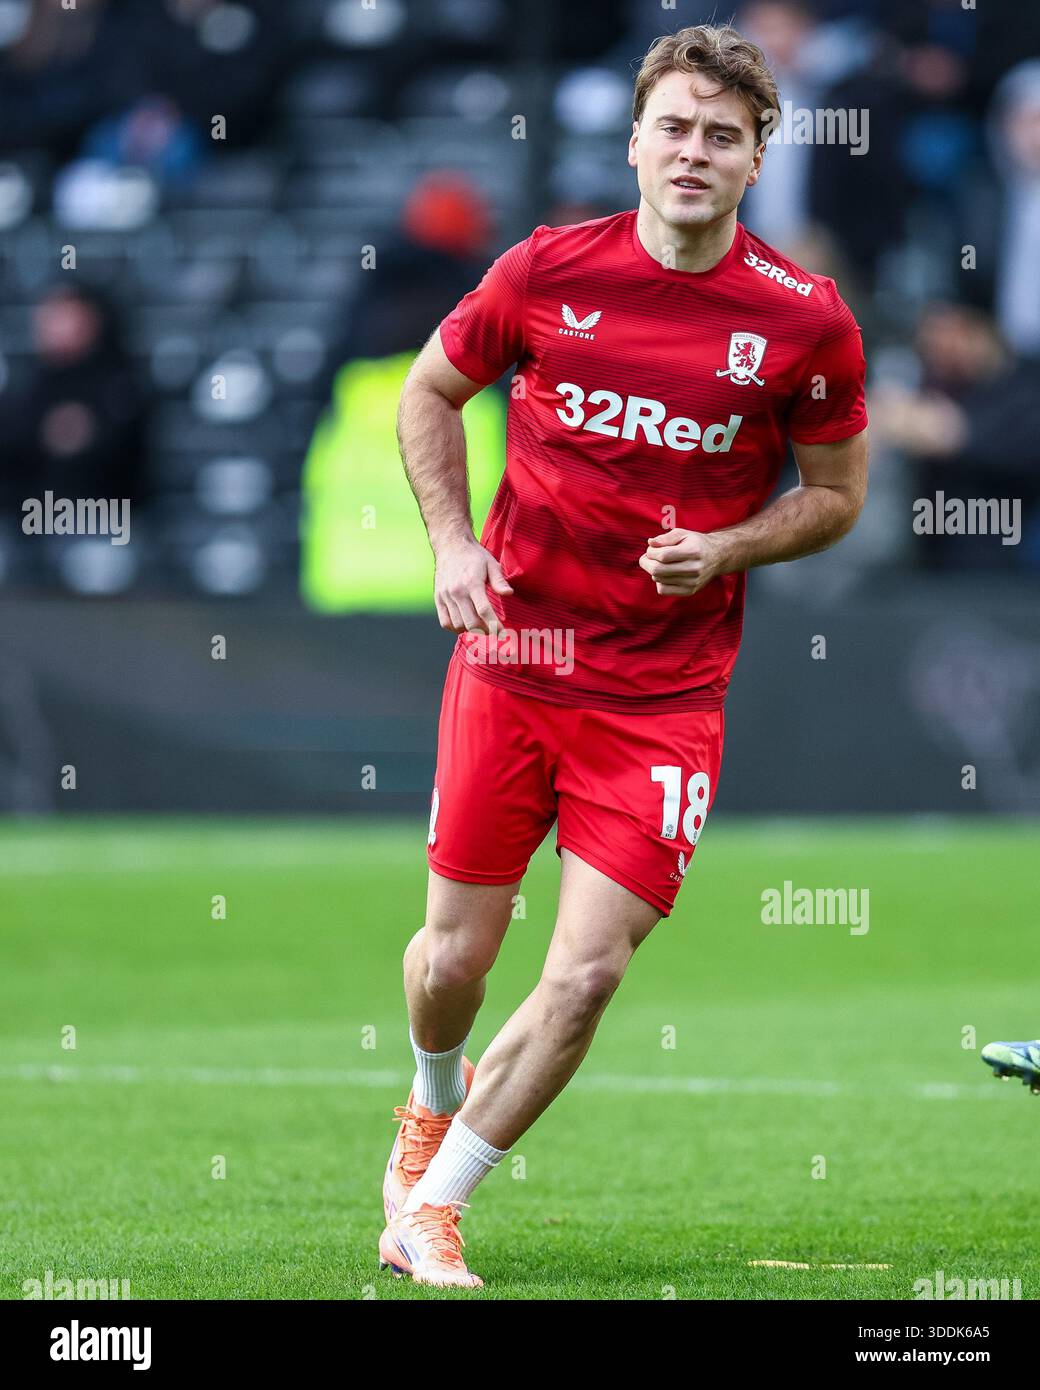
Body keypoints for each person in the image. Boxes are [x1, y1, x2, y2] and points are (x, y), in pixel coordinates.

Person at [383, 22, 869, 1289]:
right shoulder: (546, 270)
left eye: (723, 134)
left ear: (758, 157)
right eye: (675, 128)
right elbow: (424, 393)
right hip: (515, 654)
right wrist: (449, 544)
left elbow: (834, 494)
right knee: (452, 962)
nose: (694, 152)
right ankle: (429, 1096)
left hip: (662, 692)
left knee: (587, 971)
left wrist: (726, 549)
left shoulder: (804, 321)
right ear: (635, 141)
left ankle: (433, 1206)